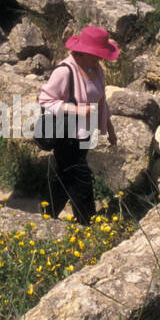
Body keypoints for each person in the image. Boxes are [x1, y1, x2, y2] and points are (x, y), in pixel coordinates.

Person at [38, 25, 119, 225]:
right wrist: (77, 110)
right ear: (81, 52)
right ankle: (87, 223)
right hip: (66, 136)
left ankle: (46, 215)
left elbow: (102, 101)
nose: (99, 59)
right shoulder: (65, 71)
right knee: (82, 179)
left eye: (100, 55)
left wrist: (110, 129)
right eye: (95, 55)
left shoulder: (96, 70)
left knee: (64, 177)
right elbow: (45, 100)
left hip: (84, 135)